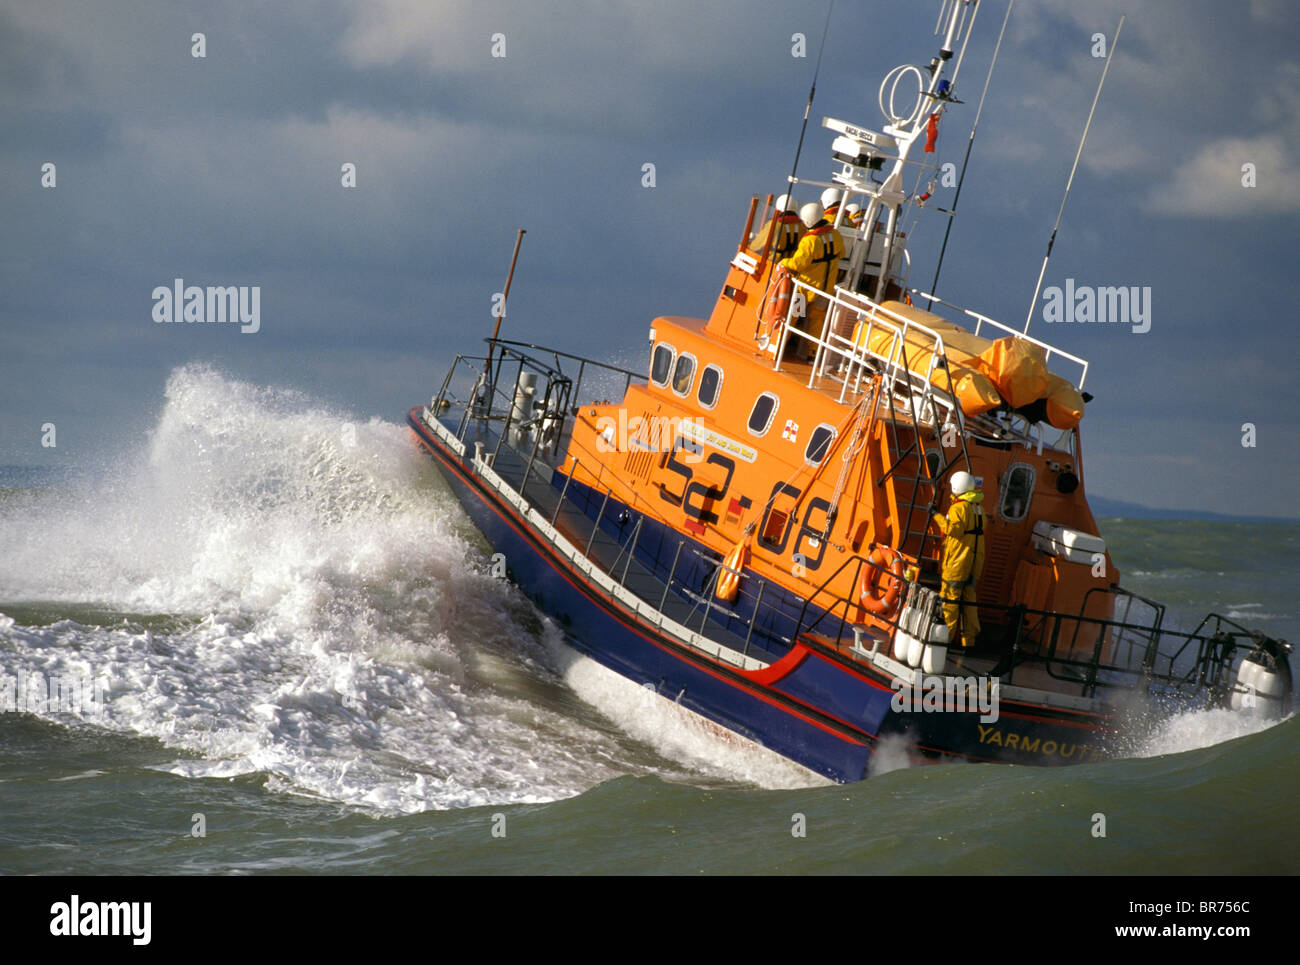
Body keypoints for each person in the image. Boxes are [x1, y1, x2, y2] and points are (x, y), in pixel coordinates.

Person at [779, 202, 845, 362]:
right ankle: (813, 354)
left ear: (807, 221)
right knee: (817, 320)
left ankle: (780, 344)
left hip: (806, 289)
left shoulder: (809, 241)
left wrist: (783, 262)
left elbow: (798, 264)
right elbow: (842, 253)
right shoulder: (835, 235)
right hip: (826, 289)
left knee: (793, 317)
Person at [932, 470, 986, 650]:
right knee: (970, 601)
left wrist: (936, 515)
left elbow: (952, 530)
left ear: (956, 487)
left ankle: (944, 639)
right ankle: (968, 641)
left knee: (950, 601)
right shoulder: (978, 508)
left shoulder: (958, 508)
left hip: (957, 562)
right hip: (975, 561)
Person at [748, 194, 802, 260]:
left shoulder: (774, 225)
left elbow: (755, 246)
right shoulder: (802, 227)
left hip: (772, 263)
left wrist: (749, 244)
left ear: (778, 209)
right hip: (790, 267)